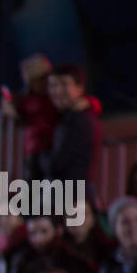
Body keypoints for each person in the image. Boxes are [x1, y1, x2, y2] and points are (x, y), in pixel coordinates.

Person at [32, 63, 101, 200]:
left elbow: (55, 164)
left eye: (64, 84)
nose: (57, 91)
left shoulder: (78, 121)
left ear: (80, 88)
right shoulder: (65, 118)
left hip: (67, 200)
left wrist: (39, 152)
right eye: (53, 85)